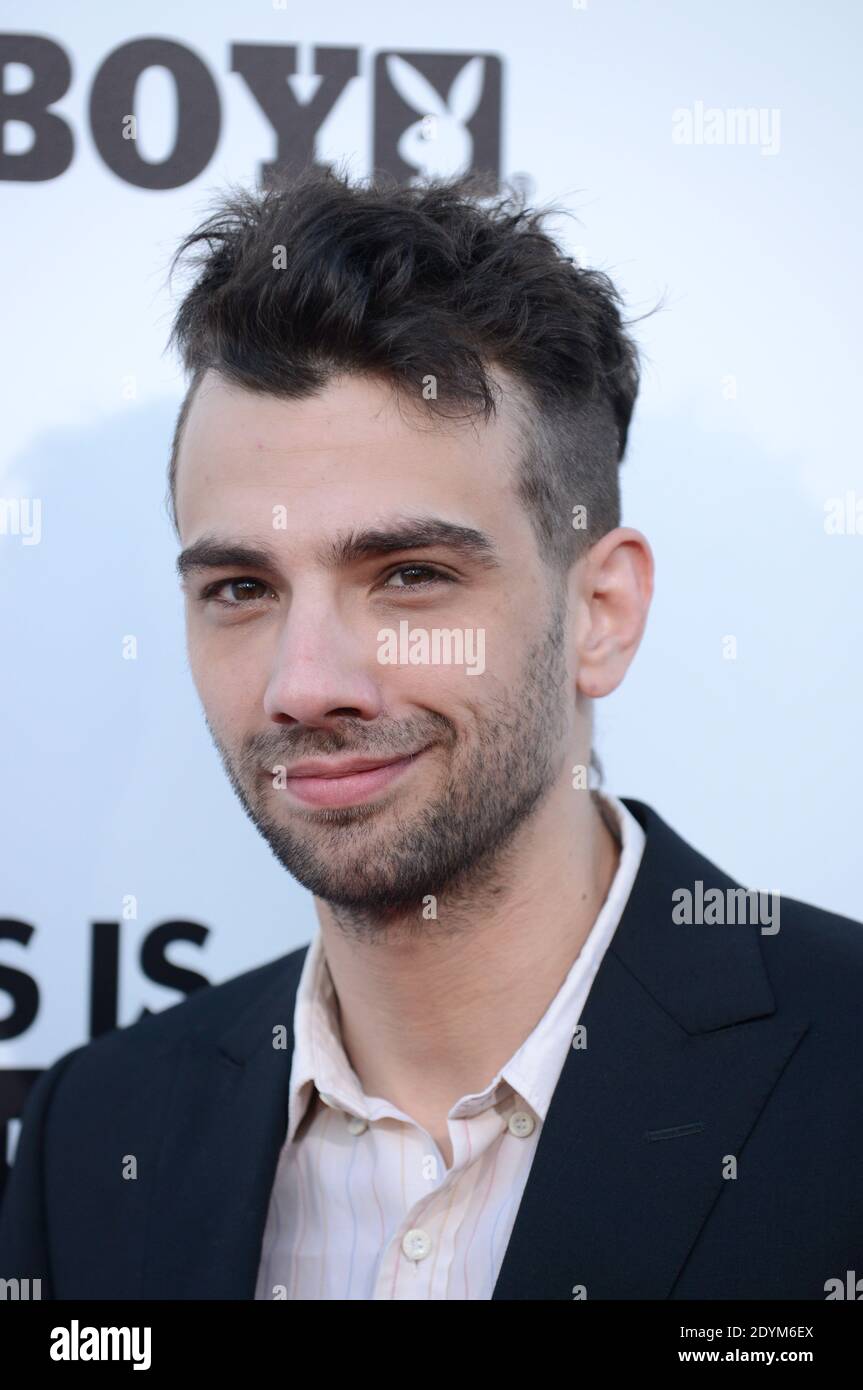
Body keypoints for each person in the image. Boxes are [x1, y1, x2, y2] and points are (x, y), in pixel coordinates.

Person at [1, 165, 861, 1300]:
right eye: (242, 590)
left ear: (599, 614)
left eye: (409, 576)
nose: (305, 686)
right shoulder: (94, 1135)